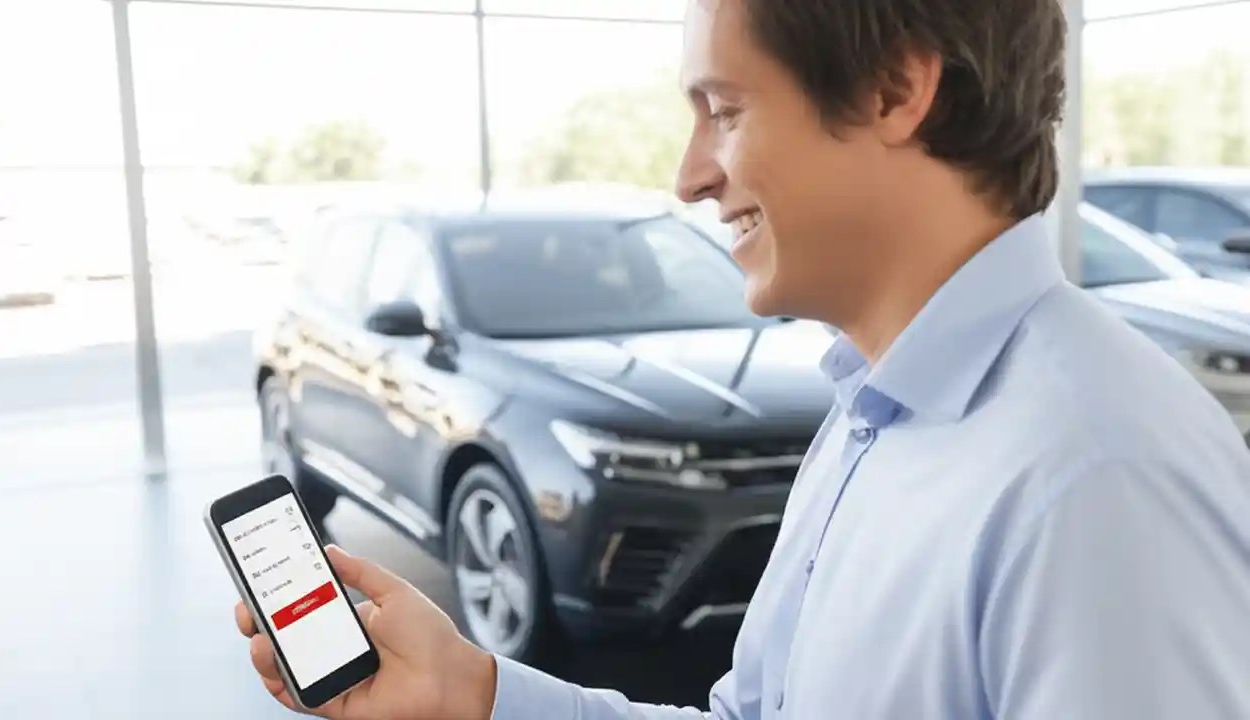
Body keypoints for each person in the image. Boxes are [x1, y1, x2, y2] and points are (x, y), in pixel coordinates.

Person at [235, 0, 1250, 717]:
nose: (687, 177)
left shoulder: (1099, 477)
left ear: (896, 88)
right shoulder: (868, 416)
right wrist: (474, 693)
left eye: (722, 110)